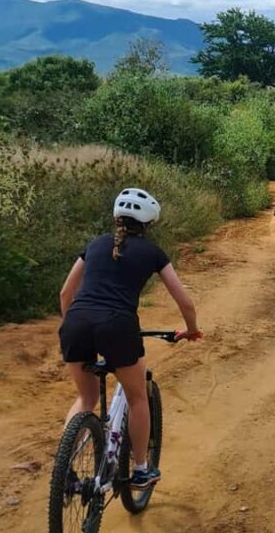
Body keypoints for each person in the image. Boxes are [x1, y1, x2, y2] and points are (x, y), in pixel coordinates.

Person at [58, 188, 201, 489]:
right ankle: (140, 469)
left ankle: (64, 471)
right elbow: (185, 302)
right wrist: (190, 329)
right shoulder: (152, 253)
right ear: (148, 224)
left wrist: (73, 324)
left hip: (76, 323)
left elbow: (66, 293)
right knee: (137, 397)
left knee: (86, 398)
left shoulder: (96, 244)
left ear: (117, 218)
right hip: (118, 327)